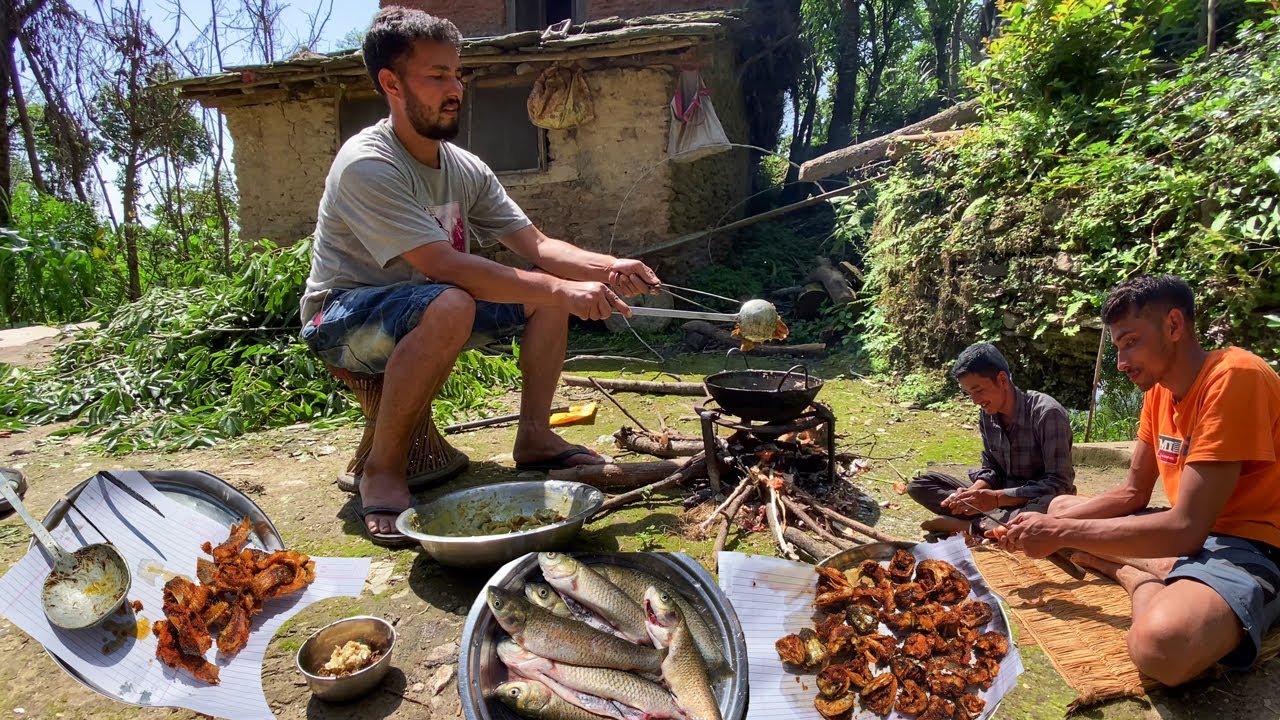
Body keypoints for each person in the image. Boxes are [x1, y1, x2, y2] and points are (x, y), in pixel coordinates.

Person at [299, 7, 661, 546]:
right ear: (391, 84)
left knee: (527, 295)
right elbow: (444, 266)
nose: (456, 90)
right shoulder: (368, 163)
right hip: (342, 317)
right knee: (460, 299)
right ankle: (383, 468)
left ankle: (535, 438)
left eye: (457, 74)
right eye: (437, 75)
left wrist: (609, 267)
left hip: (435, 304)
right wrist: (561, 287)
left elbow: (537, 246)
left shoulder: (464, 168)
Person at [998, 274, 1280, 686]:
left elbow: (1186, 529)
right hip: (1190, 531)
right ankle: (1159, 562)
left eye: (1131, 342)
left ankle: (1137, 574)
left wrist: (1061, 534)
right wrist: (1049, 523)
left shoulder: (1235, 376)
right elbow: (1132, 492)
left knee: (1161, 649)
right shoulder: (1159, 392)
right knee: (1059, 505)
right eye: (1118, 347)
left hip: (1250, 544)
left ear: (1174, 325)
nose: (1122, 362)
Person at [907, 342, 1076, 536]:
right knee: (919, 486)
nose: (975, 401)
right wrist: (973, 493)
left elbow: (1059, 483)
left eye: (978, 390)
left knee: (1052, 509)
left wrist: (997, 498)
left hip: (1036, 500)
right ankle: (991, 524)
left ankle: (972, 526)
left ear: (1002, 380)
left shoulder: (1046, 413)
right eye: (969, 393)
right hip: (999, 498)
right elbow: (991, 468)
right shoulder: (987, 413)